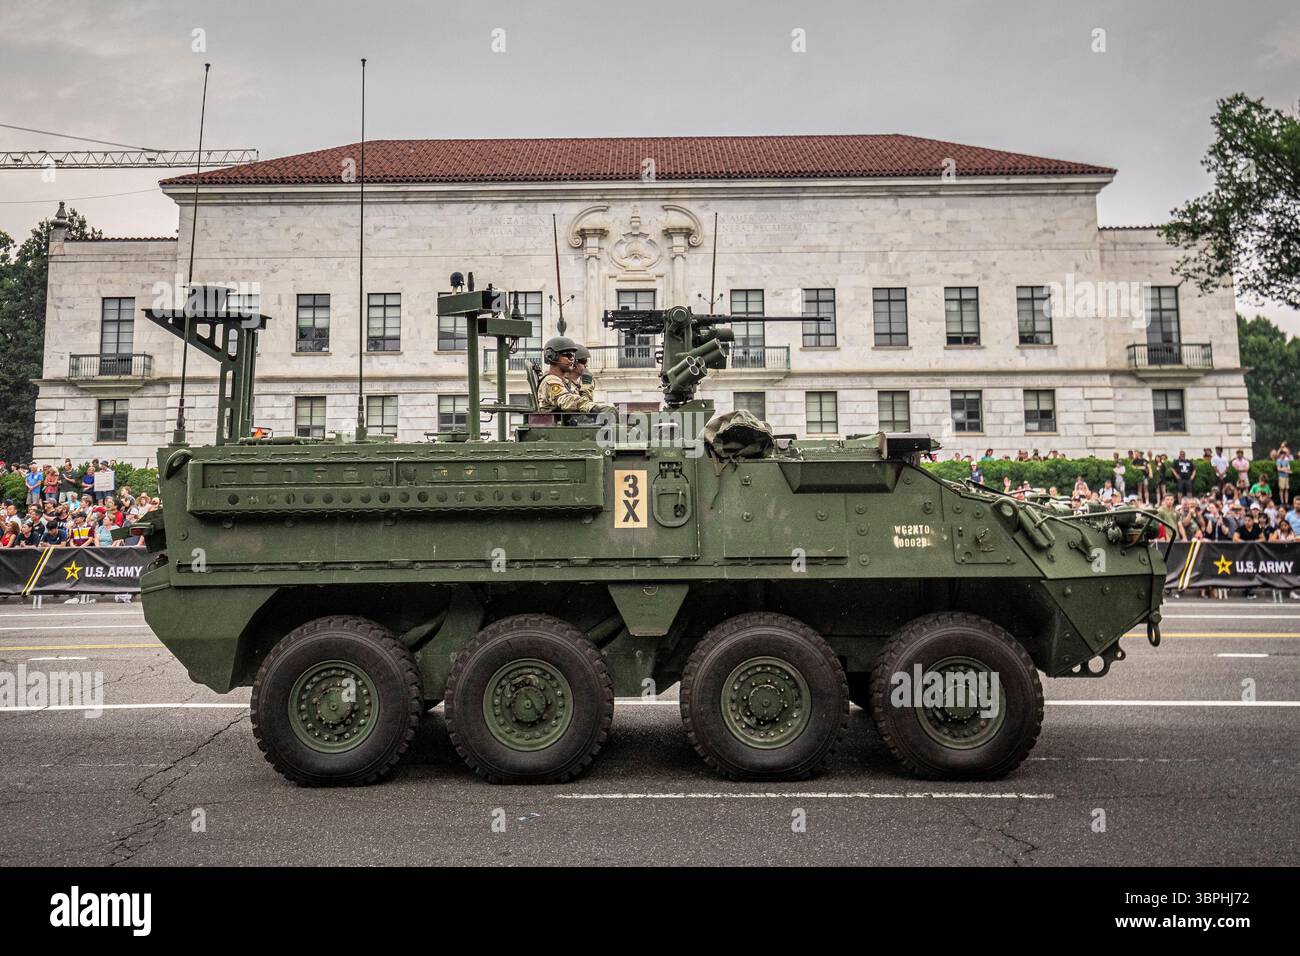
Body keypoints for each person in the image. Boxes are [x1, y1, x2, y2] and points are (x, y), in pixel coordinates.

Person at [536, 336, 615, 416]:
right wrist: (594, 408)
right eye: (568, 355)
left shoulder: (564, 382)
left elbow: (582, 403)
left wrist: (586, 388)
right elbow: (566, 401)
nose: (572, 359)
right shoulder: (550, 381)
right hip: (558, 425)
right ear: (552, 356)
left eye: (573, 356)